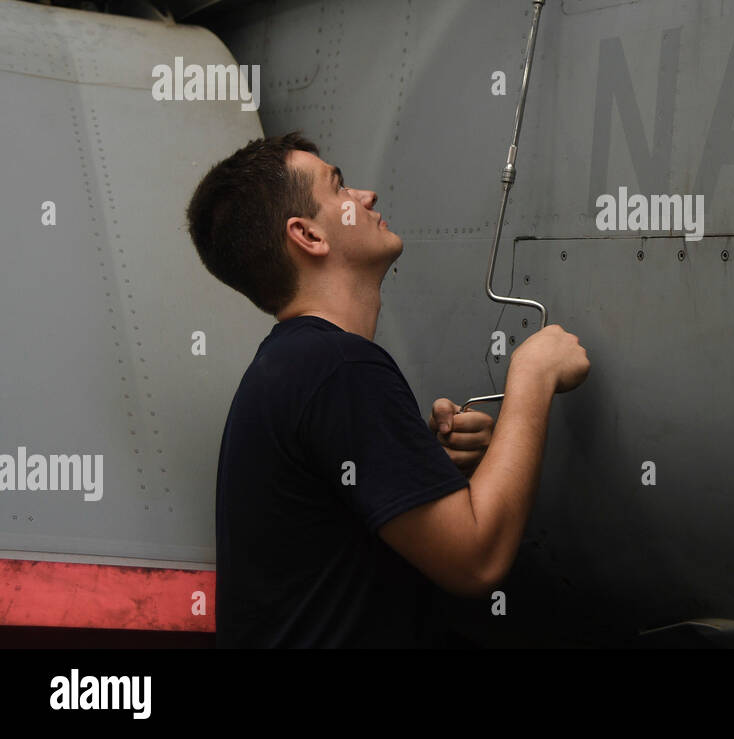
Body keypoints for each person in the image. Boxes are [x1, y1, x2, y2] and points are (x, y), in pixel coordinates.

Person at [185, 130, 589, 647]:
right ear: (308, 236)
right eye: (340, 188)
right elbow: (476, 560)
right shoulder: (338, 366)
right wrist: (532, 375)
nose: (366, 196)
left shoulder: (296, 364)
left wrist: (424, 468)